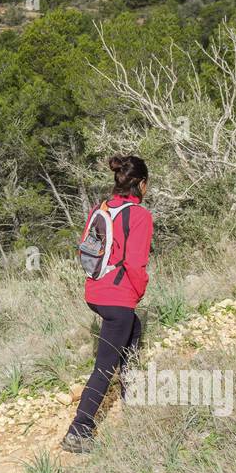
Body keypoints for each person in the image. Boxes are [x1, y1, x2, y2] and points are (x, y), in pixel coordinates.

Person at [61, 154, 153, 454]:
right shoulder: (140, 215)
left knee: (133, 331)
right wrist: (136, 294)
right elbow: (136, 265)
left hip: (95, 292)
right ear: (141, 184)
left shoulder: (99, 209)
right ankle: (79, 430)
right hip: (118, 296)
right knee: (105, 365)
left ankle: (134, 402)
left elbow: (88, 251)